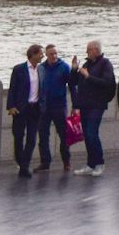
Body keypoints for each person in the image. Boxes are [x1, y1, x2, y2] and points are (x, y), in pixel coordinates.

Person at [69, 40, 116, 177]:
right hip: (85, 104)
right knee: (87, 135)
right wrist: (74, 69)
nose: (86, 53)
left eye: (88, 50)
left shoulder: (105, 64)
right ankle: (90, 164)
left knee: (91, 132)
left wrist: (89, 76)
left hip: (97, 104)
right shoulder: (86, 64)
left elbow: (106, 83)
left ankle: (99, 163)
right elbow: (74, 82)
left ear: (96, 50)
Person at [6, 43, 44, 178]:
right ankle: (21, 162)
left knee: (32, 138)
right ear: (33, 54)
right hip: (21, 108)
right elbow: (13, 88)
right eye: (40, 53)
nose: (42, 56)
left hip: (35, 108)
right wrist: (11, 106)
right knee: (18, 136)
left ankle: (24, 165)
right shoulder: (19, 69)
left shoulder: (41, 70)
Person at [37, 42, 74, 171]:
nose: (54, 56)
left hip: (59, 106)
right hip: (44, 107)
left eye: (55, 53)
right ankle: (45, 162)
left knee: (64, 135)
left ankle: (66, 161)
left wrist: (75, 105)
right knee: (43, 135)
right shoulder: (41, 68)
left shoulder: (64, 67)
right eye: (51, 54)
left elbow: (72, 86)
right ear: (46, 55)